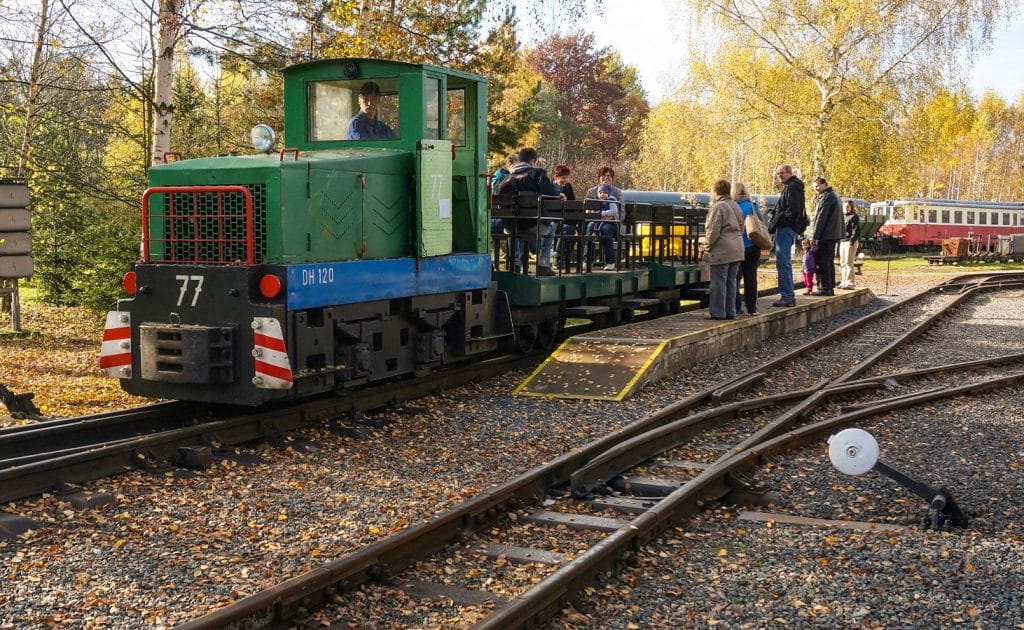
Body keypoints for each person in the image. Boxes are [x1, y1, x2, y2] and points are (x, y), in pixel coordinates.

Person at [495, 147, 563, 277]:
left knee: (512, 224)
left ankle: (515, 264)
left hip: (511, 227)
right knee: (554, 224)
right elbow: (550, 194)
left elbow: (498, 198)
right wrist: (559, 195)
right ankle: (543, 265)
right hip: (533, 226)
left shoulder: (506, 178)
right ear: (533, 161)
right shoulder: (537, 174)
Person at [705, 179, 745, 320]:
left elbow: (713, 230)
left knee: (718, 282)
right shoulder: (736, 206)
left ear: (716, 191)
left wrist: (707, 246)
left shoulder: (718, 207)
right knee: (731, 282)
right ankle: (730, 311)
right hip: (737, 248)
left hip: (722, 249)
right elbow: (741, 227)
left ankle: (718, 313)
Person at [768, 164, 806, 307]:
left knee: (782, 262)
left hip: (786, 228)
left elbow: (792, 209)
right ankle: (788, 295)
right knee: (784, 262)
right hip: (788, 227)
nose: (779, 176)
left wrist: (782, 221)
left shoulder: (792, 187)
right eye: (778, 174)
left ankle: (787, 296)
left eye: (782, 173)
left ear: (790, 173)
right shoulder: (792, 186)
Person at [810, 176, 844, 296]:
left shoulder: (826, 197)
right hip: (833, 234)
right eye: (814, 187)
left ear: (824, 184)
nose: (816, 189)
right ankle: (829, 287)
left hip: (826, 234)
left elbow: (821, 218)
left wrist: (815, 236)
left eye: (817, 186)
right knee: (829, 261)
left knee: (822, 261)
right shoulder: (834, 196)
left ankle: (824, 288)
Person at [731, 182, 761, 315]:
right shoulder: (753, 206)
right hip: (753, 246)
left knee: (735, 278)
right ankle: (752, 308)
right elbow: (761, 222)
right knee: (751, 278)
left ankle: (736, 307)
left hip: (737, 246)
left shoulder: (733, 207)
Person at [552, 165, 577, 268]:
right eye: (563, 178)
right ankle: (559, 258)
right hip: (552, 220)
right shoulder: (549, 187)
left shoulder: (568, 187)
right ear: (555, 177)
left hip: (566, 220)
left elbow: (573, 205)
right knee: (561, 228)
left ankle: (558, 256)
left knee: (568, 229)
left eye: (567, 178)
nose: (565, 180)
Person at [838, 200, 861, 289]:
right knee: (842, 263)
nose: (846, 208)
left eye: (848, 207)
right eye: (844, 207)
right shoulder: (842, 217)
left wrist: (852, 241)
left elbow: (856, 230)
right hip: (842, 241)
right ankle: (843, 282)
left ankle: (850, 284)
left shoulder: (854, 217)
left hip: (850, 242)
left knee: (849, 263)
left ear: (851, 207)